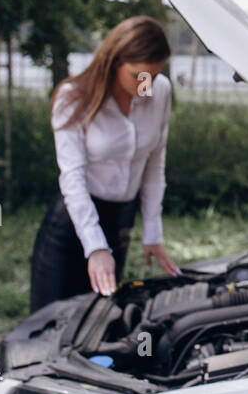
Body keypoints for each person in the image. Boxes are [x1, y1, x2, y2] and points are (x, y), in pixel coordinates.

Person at [29, 15, 180, 314]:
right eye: (138, 75)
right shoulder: (72, 98)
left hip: (121, 221)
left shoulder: (159, 91)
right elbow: (72, 178)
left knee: (101, 321)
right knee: (51, 326)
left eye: (154, 73)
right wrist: (96, 248)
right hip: (73, 224)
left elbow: (154, 163)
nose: (146, 84)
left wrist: (152, 232)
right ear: (114, 61)